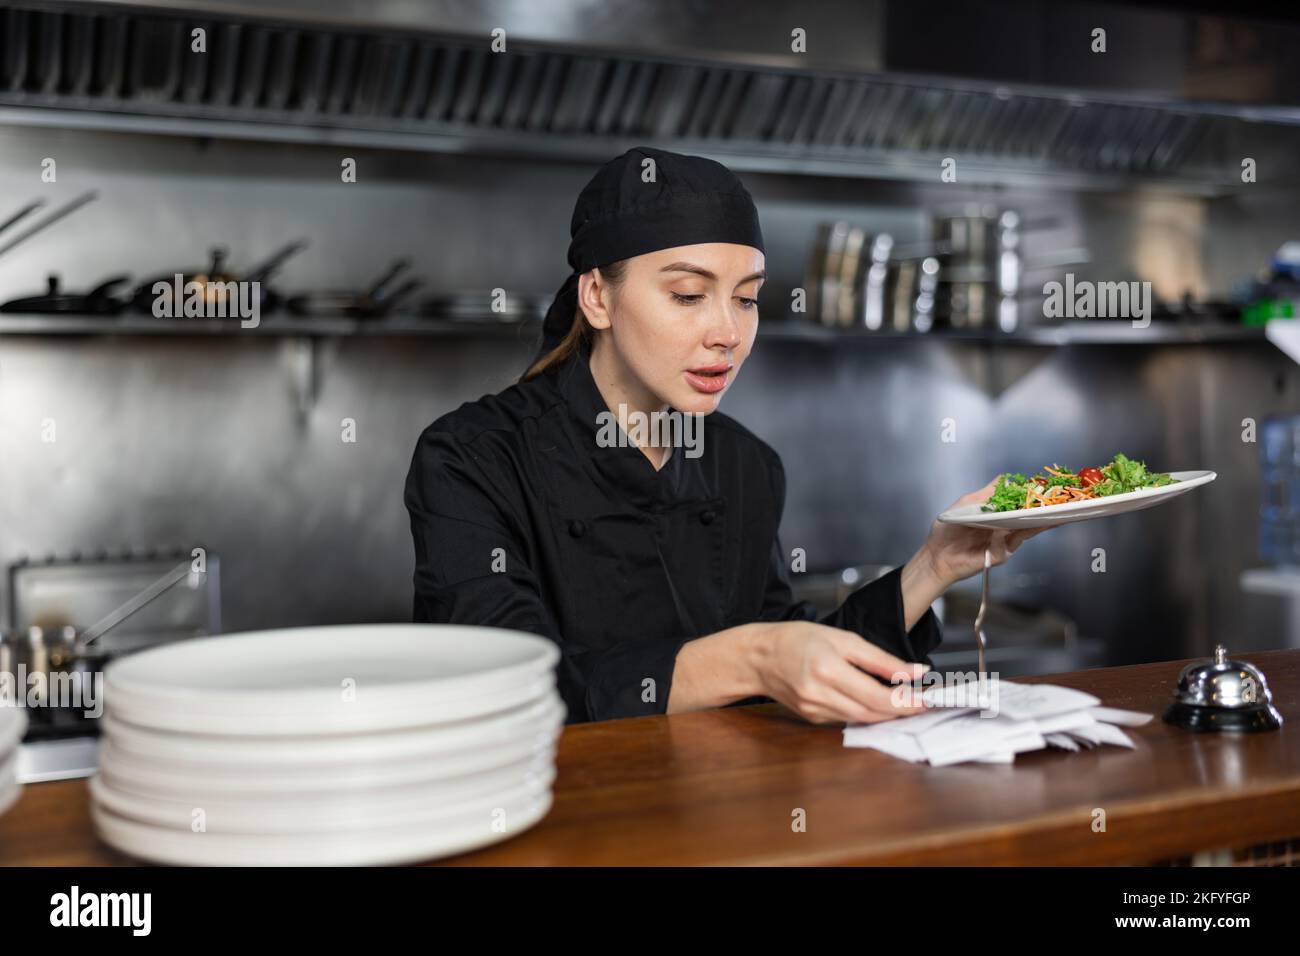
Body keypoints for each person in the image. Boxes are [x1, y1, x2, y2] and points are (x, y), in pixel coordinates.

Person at [405, 145, 1039, 725]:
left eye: (747, 298)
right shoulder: (473, 459)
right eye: (688, 295)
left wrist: (933, 567)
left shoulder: (744, 464)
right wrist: (754, 658)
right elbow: (508, 690)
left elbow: (792, 661)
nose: (728, 333)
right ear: (597, 297)